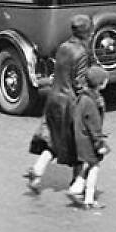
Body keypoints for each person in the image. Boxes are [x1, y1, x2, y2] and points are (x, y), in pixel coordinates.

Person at [25, 15, 93, 193]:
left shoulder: (63, 47)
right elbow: (79, 83)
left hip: (53, 98)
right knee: (79, 142)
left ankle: (38, 170)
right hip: (69, 103)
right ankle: (77, 183)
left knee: (52, 141)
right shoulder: (82, 53)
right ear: (87, 33)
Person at [69, 65, 110, 209]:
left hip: (79, 137)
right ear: (100, 83)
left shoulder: (83, 98)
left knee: (88, 165)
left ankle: (77, 188)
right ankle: (88, 198)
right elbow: (94, 125)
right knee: (94, 166)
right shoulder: (92, 102)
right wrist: (100, 144)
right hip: (87, 140)